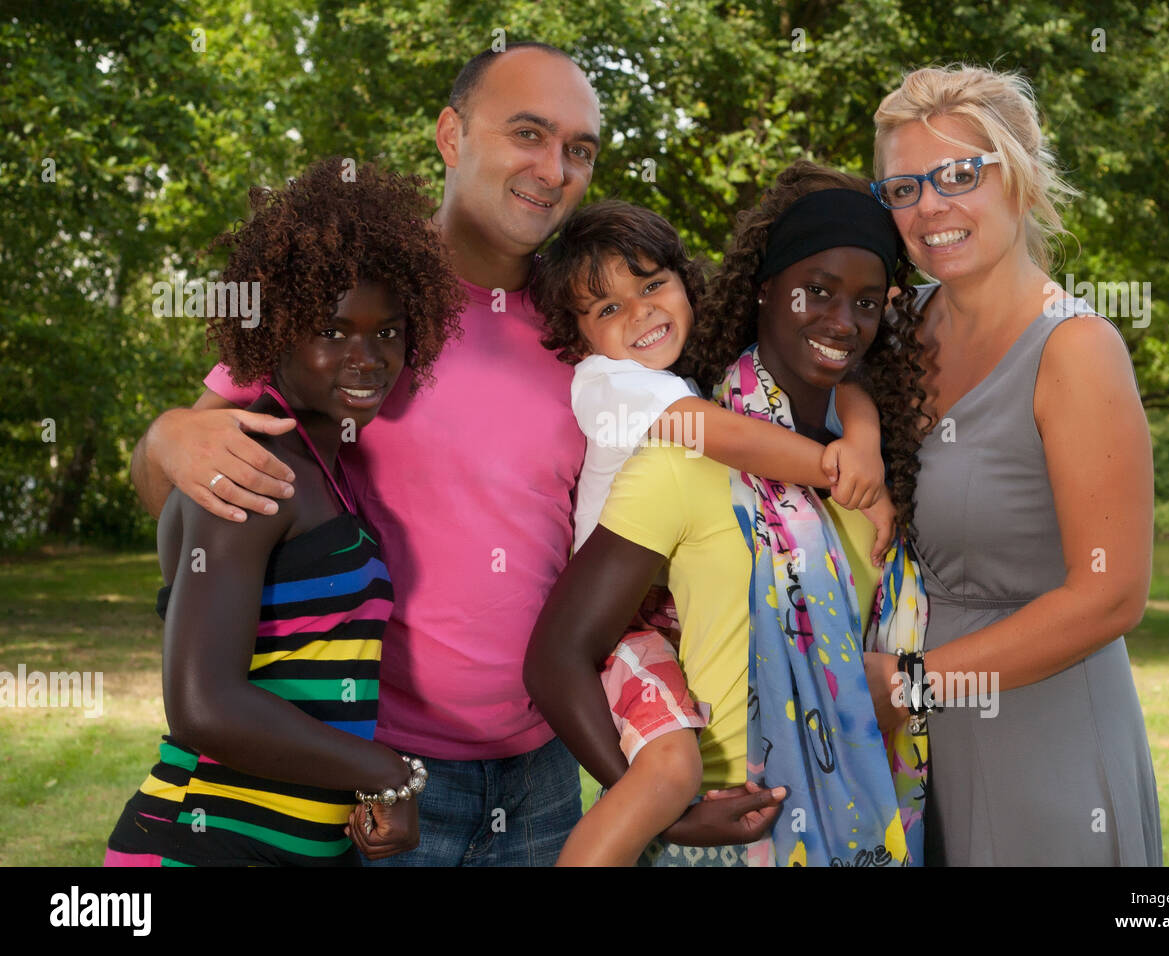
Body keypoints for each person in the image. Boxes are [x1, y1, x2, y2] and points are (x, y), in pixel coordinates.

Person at [127, 43, 603, 866]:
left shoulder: (588, 325)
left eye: (580, 149)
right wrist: (168, 433)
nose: (554, 168)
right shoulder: (349, 297)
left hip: (542, 773)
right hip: (376, 774)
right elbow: (172, 487)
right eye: (528, 132)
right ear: (452, 135)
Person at [525, 161, 930, 866]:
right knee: (665, 766)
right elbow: (557, 655)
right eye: (816, 291)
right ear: (764, 288)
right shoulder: (675, 444)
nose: (840, 319)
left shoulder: (870, 478)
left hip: (854, 824)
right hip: (721, 832)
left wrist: (858, 451)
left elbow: (900, 678)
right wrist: (667, 814)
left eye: (866, 302)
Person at [106, 158, 463, 866]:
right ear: (274, 332)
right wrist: (391, 776)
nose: (366, 359)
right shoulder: (250, 464)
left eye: (387, 332)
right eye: (331, 333)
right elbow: (204, 704)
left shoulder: (322, 465)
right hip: (202, 843)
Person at [861, 64, 1162, 865]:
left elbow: (1112, 596)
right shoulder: (889, 329)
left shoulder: (1077, 351)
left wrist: (906, 685)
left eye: (959, 174)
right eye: (902, 188)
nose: (930, 206)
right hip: (912, 766)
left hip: (1041, 742)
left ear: (1020, 178)